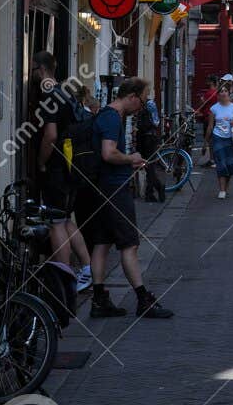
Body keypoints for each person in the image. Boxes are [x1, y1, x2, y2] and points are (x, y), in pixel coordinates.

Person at [79, 77, 173, 320]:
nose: (141, 108)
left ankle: (99, 301)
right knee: (129, 244)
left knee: (101, 243)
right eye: (141, 102)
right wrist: (131, 159)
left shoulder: (104, 115)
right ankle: (143, 299)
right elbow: (109, 153)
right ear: (132, 96)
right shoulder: (112, 118)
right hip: (114, 191)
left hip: (100, 189)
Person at [28, 52, 93, 290]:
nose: (31, 75)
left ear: (41, 69)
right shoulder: (65, 92)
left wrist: (42, 162)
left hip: (57, 168)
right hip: (72, 166)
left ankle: (64, 279)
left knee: (56, 223)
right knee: (66, 220)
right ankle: (87, 268)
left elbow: (51, 135)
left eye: (32, 69)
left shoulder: (49, 95)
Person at [205, 79, 233, 200]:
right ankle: (221, 190)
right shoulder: (214, 109)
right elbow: (210, 126)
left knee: (230, 165)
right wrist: (205, 143)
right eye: (221, 91)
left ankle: (226, 188)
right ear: (218, 94)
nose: (223, 93)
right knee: (221, 164)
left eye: (225, 91)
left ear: (228, 93)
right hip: (218, 138)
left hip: (231, 139)